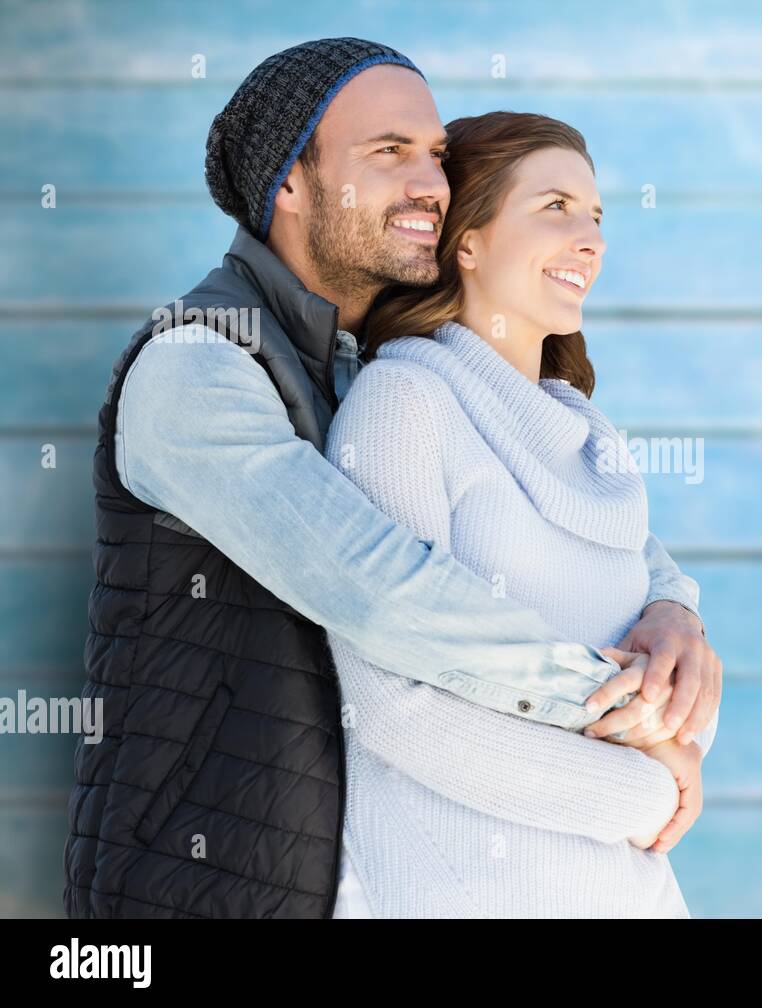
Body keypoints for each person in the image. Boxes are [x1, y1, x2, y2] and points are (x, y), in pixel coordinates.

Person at [64, 37, 721, 919]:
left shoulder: (357, 368)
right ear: (287, 184)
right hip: (192, 889)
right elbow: (382, 587)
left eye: (436, 157)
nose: (430, 185)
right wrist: (621, 715)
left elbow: (561, 517)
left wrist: (673, 607)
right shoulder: (196, 366)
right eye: (388, 152)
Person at [326, 111, 720, 917]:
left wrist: (679, 617)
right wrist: (646, 796)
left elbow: (661, 700)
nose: (591, 239)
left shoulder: (588, 437)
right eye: (556, 207)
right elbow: (392, 709)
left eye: (598, 217)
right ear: (465, 241)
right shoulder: (404, 404)